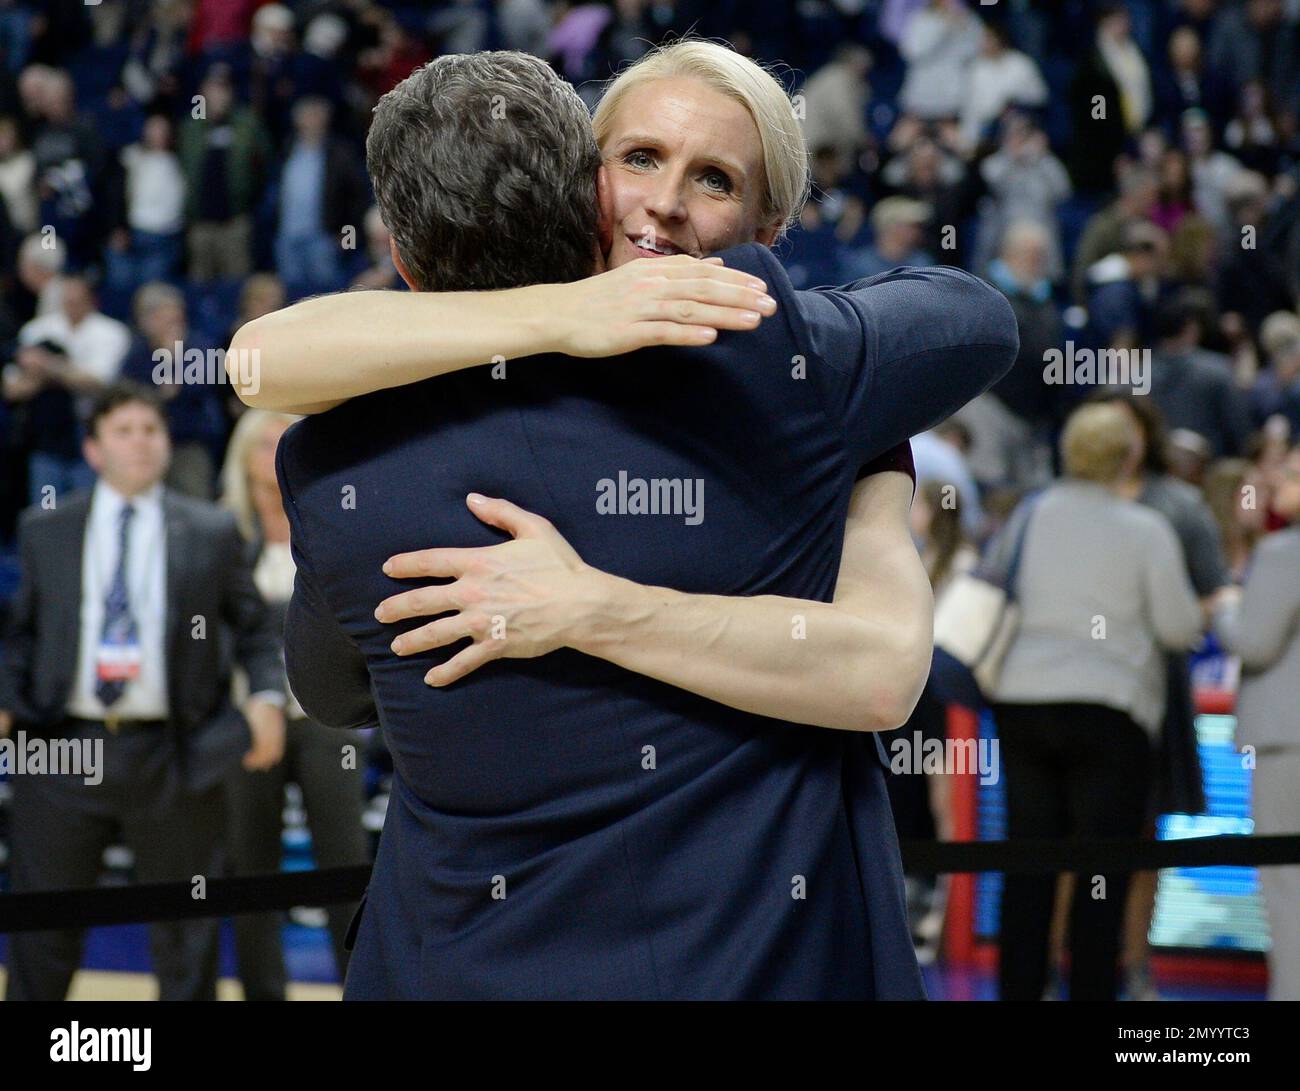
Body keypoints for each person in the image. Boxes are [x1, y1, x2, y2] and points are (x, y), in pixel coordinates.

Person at [243, 45, 1018, 999]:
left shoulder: (337, 457)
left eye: (714, 178)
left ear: (764, 232)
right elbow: (973, 320)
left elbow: (328, 686)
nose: (664, 203)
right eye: (639, 159)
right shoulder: (787, 372)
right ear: (578, 182)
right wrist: (873, 481)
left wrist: (591, 611)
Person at [0, 381, 286, 1001]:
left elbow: (256, 628)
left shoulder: (210, 530)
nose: (141, 442)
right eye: (124, 431)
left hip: (176, 754)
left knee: (187, 939)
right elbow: (18, 634)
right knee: (42, 936)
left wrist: (266, 699)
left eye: (151, 430)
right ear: (94, 448)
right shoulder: (45, 527)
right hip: (61, 749)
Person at [989, 402, 1202, 1000]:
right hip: (1111, 712)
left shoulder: (1029, 516)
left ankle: (1018, 992)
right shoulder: (1145, 530)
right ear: (1131, 456)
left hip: (1023, 703)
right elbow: (1179, 625)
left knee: (1027, 866)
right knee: (1101, 874)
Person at [218, 408, 369, 999]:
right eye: (263, 444)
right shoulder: (220, 531)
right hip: (246, 722)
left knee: (343, 863)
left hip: (324, 720)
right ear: (244, 457)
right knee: (250, 871)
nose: (274, 454)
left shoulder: (329, 522)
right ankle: (262, 992)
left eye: (286, 439)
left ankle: (358, 984)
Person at [1213, 444, 1300, 1001]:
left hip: (1286, 742)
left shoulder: (1281, 553)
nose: (1274, 481)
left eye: (1290, 473)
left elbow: (1255, 642)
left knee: (1287, 887)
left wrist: (1224, 605)